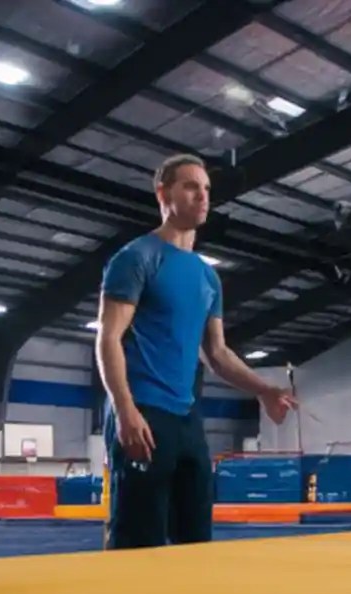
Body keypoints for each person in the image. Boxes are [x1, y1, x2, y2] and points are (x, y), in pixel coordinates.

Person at [95, 153, 298, 550]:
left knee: (196, 540)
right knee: (138, 539)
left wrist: (264, 389)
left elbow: (218, 353)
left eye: (206, 189)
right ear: (163, 194)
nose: (202, 196)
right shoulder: (136, 258)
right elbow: (107, 338)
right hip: (143, 411)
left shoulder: (208, 276)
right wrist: (125, 410)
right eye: (190, 186)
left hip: (187, 419)